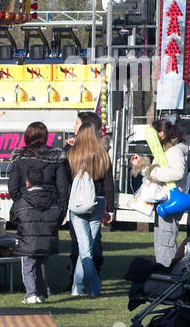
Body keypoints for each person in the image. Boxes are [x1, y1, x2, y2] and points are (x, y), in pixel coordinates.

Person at [8, 121, 70, 304]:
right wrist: (61, 210)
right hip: (50, 210)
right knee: (43, 253)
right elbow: (63, 188)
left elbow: (12, 188)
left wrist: (21, 201)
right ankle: (42, 291)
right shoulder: (57, 159)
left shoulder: (20, 159)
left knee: (28, 255)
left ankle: (31, 293)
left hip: (26, 209)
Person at [65, 118, 115, 297]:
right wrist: (110, 208)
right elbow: (109, 184)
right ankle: (87, 287)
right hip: (98, 202)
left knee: (84, 247)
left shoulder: (72, 155)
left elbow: (66, 181)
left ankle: (81, 287)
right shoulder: (102, 155)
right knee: (88, 246)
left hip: (77, 203)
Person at [133, 118, 187, 268]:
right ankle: (163, 273)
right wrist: (142, 166)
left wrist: (154, 172)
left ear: (161, 134)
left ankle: (169, 274)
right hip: (163, 202)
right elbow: (154, 173)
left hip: (171, 202)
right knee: (160, 241)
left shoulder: (175, 151)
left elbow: (178, 173)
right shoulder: (164, 152)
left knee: (166, 242)